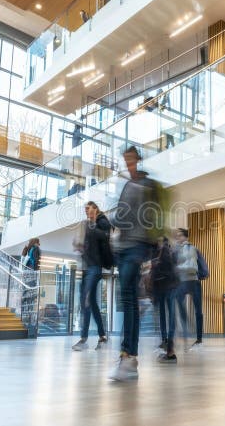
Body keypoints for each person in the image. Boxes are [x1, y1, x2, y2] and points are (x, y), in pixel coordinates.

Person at [108, 146, 161, 381]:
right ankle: (129, 357)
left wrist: (116, 218)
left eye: (131, 159)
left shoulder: (145, 185)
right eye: (125, 159)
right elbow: (120, 215)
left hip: (137, 246)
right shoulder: (127, 185)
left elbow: (138, 216)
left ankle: (128, 355)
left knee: (129, 300)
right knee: (128, 300)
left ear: (138, 160)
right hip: (124, 248)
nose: (128, 163)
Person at [72, 201, 111, 352]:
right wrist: (80, 246)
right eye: (85, 209)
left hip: (95, 267)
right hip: (86, 267)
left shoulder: (102, 222)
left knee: (86, 299)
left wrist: (93, 222)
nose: (86, 211)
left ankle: (83, 339)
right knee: (91, 303)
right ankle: (102, 336)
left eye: (88, 208)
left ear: (95, 208)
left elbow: (105, 236)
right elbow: (90, 245)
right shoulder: (88, 224)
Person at [174, 228, 204, 350]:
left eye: (180, 235)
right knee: (180, 305)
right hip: (182, 282)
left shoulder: (191, 248)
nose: (178, 237)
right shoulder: (177, 250)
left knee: (198, 311)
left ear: (186, 237)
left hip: (193, 281)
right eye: (177, 236)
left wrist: (178, 268)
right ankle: (186, 329)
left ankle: (199, 339)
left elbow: (192, 267)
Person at [151, 236, 178, 363]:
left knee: (169, 315)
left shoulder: (166, 251)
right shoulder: (157, 251)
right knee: (163, 315)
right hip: (162, 288)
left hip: (168, 287)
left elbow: (169, 270)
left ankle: (170, 347)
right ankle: (165, 341)